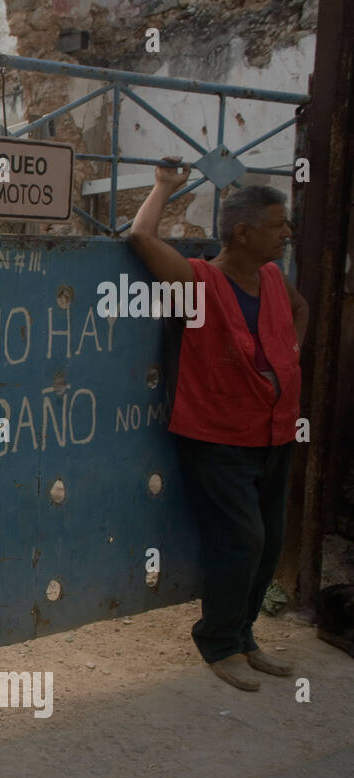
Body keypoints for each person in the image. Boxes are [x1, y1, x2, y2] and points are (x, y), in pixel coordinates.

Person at [128, 161, 308, 691]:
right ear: (242, 233)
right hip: (218, 436)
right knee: (243, 540)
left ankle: (245, 635)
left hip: (275, 431)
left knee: (271, 541)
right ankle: (219, 642)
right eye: (278, 226)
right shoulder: (199, 280)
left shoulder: (274, 278)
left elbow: (301, 309)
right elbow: (140, 236)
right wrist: (163, 187)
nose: (287, 234)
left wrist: (289, 355)